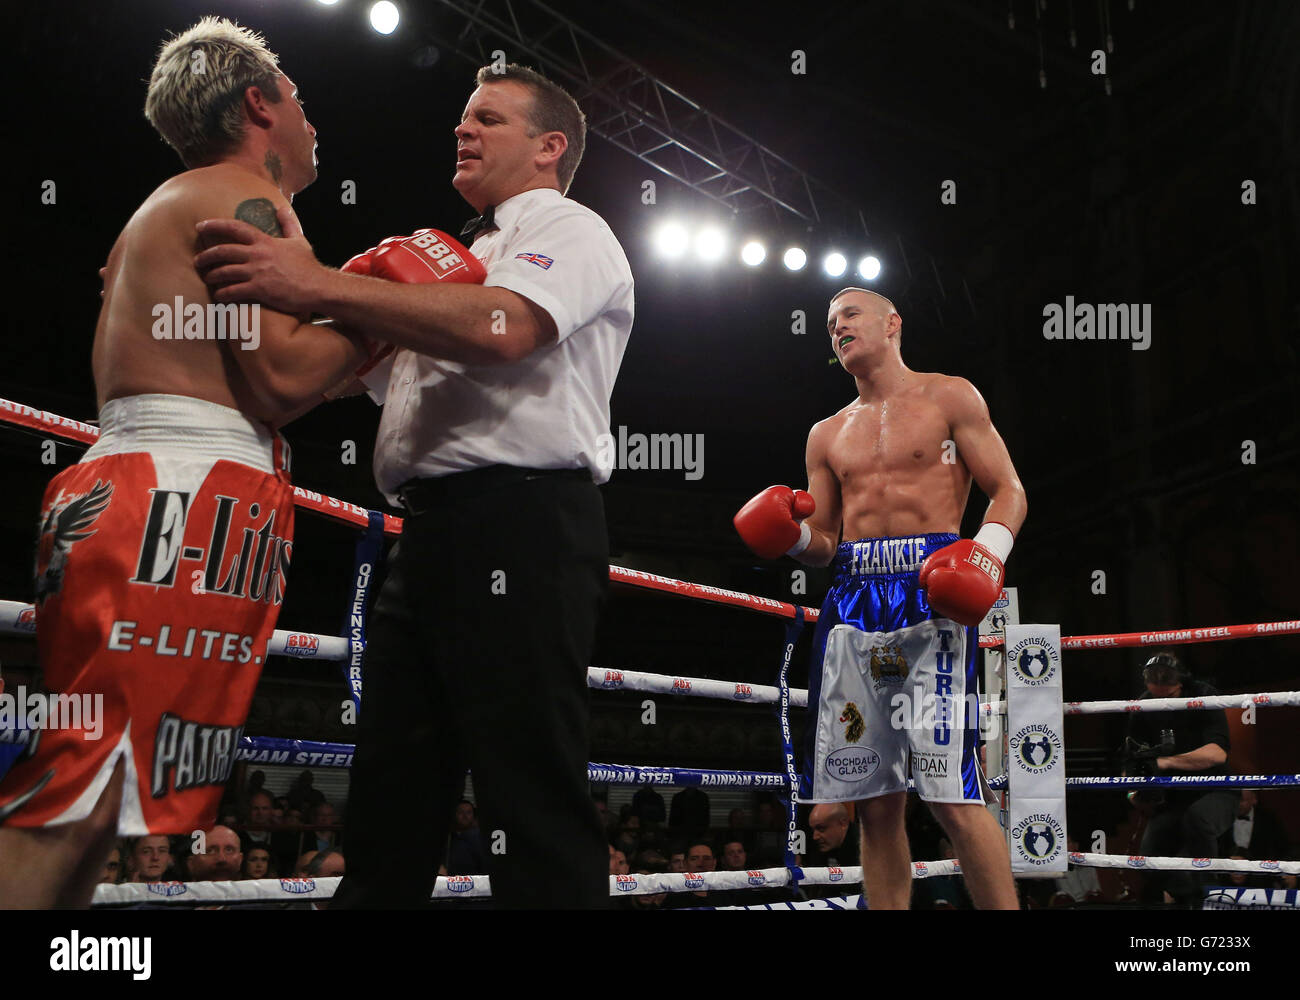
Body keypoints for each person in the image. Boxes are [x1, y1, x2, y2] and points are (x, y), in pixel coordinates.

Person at [194, 62, 634, 909]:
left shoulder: (573, 228)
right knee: (392, 793)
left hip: (525, 525)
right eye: (463, 119)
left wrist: (320, 281)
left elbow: (506, 329)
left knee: (529, 792)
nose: (463, 131)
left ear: (551, 147)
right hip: (424, 539)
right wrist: (177, 299)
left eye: (489, 120)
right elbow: (309, 379)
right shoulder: (445, 266)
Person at [0, 18, 367, 910]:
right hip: (178, 495)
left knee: (108, 790)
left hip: (162, 485)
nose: (312, 121)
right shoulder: (247, 199)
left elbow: (266, 370)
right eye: (301, 100)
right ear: (260, 104)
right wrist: (378, 306)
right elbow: (282, 378)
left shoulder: (174, 206)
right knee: (74, 788)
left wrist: (358, 324)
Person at [735, 287, 1027, 910]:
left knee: (953, 793)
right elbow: (826, 544)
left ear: (893, 323)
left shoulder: (950, 395)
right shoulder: (825, 433)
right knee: (873, 802)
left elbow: (1008, 489)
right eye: (828, 323)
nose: (836, 327)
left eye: (849, 315)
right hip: (852, 602)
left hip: (932, 596)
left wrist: (987, 554)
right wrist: (789, 539)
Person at [1124, 651, 1237, 907]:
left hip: (1216, 790)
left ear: (1182, 683)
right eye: (1157, 696)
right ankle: (1197, 899)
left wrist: (1165, 762)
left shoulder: (1203, 694)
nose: (1164, 703)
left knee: (1197, 820)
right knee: (1148, 859)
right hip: (1173, 798)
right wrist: (1133, 791)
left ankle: (1209, 895)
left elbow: (1217, 753)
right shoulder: (1142, 706)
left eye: (1170, 697)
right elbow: (1131, 761)